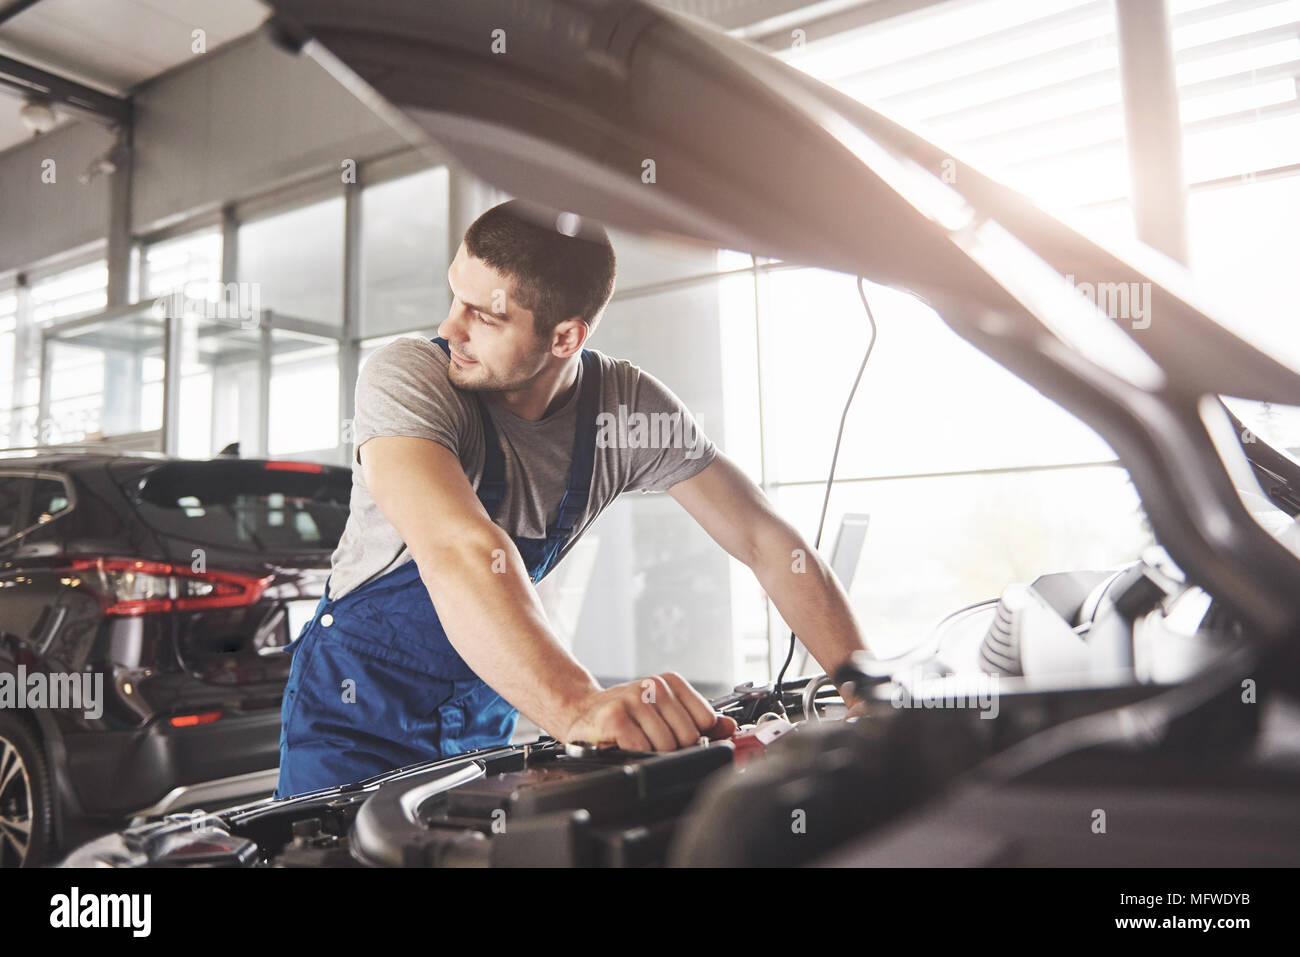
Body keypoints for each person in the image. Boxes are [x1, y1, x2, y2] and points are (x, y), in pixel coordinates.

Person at [275, 199, 869, 797]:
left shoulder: (624, 410)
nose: (450, 327)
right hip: (351, 716)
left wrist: (868, 690)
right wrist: (577, 705)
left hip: (484, 711)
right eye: (455, 296)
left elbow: (768, 540)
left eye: (485, 315)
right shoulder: (408, 376)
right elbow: (459, 548)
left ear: (565, 337)